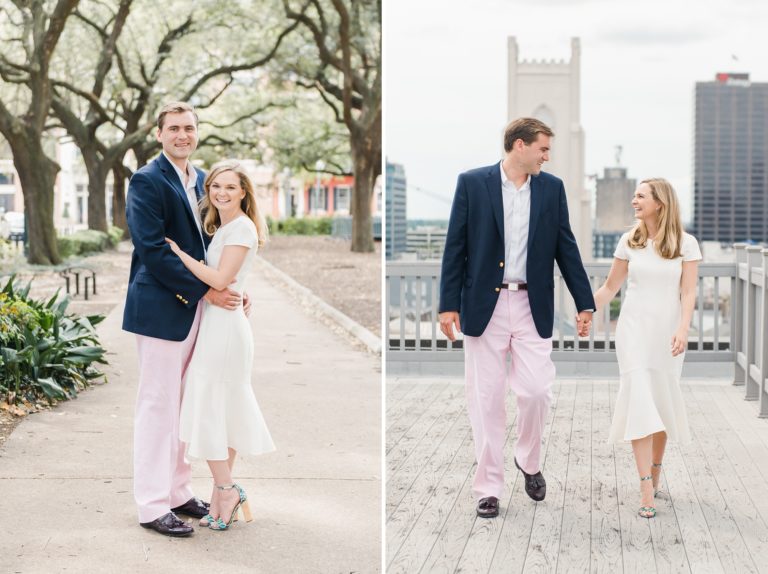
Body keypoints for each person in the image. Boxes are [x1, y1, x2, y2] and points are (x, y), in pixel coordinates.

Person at [438, 117, 595, 518]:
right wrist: (447, 304)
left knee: (536, 391)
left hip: (532, 306)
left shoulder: (552, 188)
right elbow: (455, 246)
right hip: (483, 308)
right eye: (543, 149)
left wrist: (585, 302)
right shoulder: (473, 183)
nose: (547, 156)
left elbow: (567, 247)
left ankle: (529, 459)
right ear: (519, 145)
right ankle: (488, 487)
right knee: (486, 400)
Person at [123, 102, 249, 537]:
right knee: (158, 406)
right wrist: (208, 291)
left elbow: (209, 249)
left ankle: (178, 491)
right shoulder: (146, 179)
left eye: (189, 128)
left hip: (199, 309)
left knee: (186, 404)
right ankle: (151, 504)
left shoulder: (200, 181)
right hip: (161, 308)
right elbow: (153, 249)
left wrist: (229, 287)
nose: (182, 135)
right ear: (159, 134)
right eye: (173, 128)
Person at [166, 160, 275, 531]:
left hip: (226, 332)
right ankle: (220, 495)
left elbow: (221, 277)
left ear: (244, 192)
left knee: (212, 406)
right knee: (221, 410)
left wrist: (179, 255)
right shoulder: (225, 227)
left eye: (230, 187)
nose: (222, 193)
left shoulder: (241, 227)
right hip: (220, 324)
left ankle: (226, 489)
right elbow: (231, 280)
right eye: (216, 186)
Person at [593, 178, 701, 519]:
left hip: (668, 334)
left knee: (661, 399)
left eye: (641, 196)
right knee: (639, 397)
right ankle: (644, 488)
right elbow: (611, 286)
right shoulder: (630, 241)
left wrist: (683, 329)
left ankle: (655, 472)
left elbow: (688, 293)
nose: (634, 201)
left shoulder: (687, 244)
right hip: (633, 331)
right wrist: (585, 311)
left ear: (660, 203)